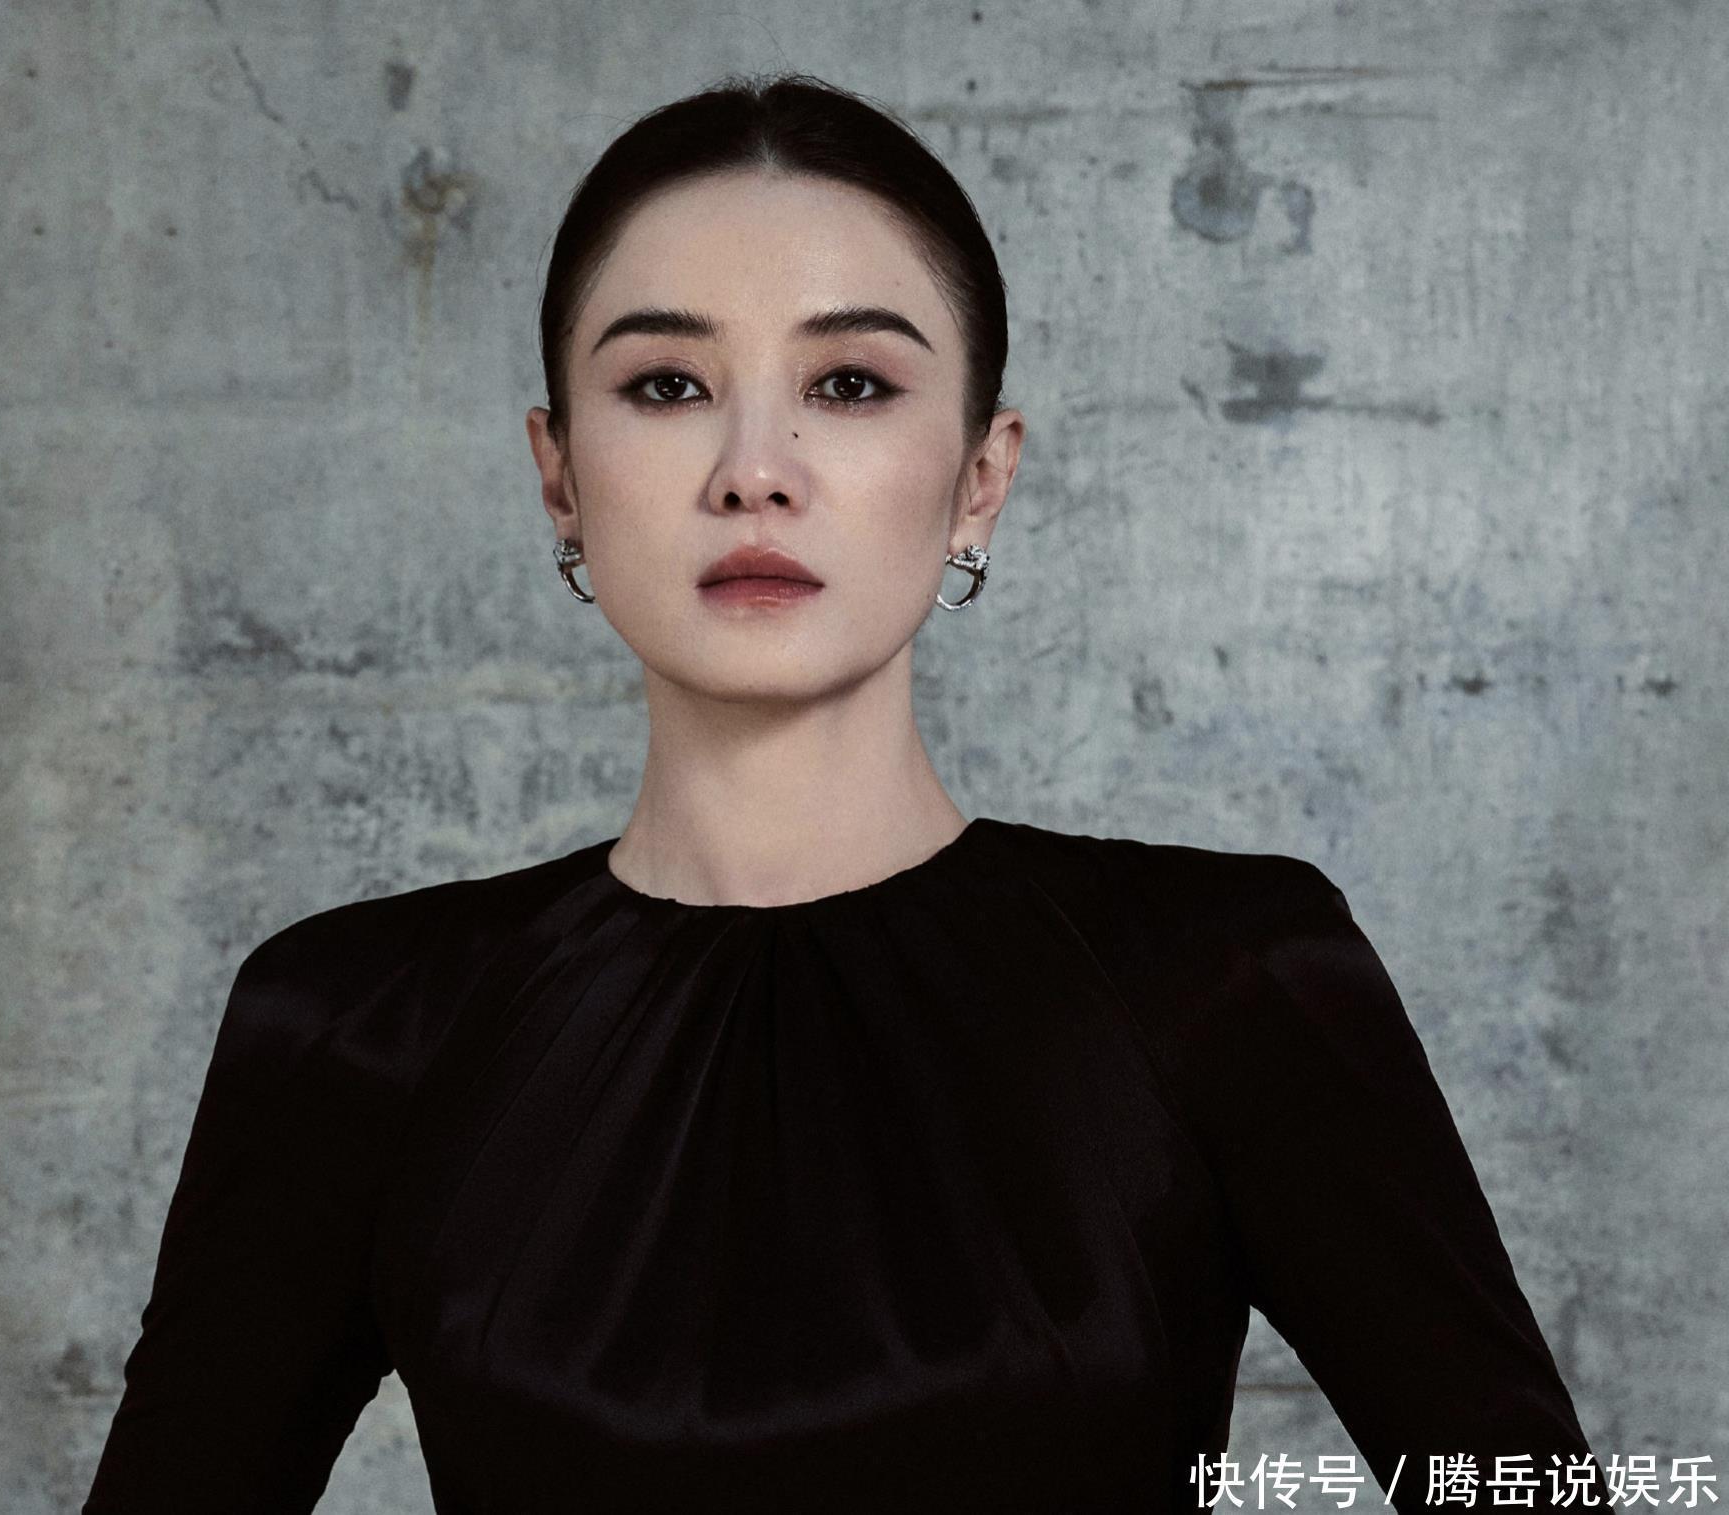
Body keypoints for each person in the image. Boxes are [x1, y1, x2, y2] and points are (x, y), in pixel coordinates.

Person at [82, 71, 1599, 1513]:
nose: (756, 469)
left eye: (851, 383)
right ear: (560, 475)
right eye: (667, 384)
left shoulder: (1227, 979)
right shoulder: (357, 1027)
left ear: (981, 476)